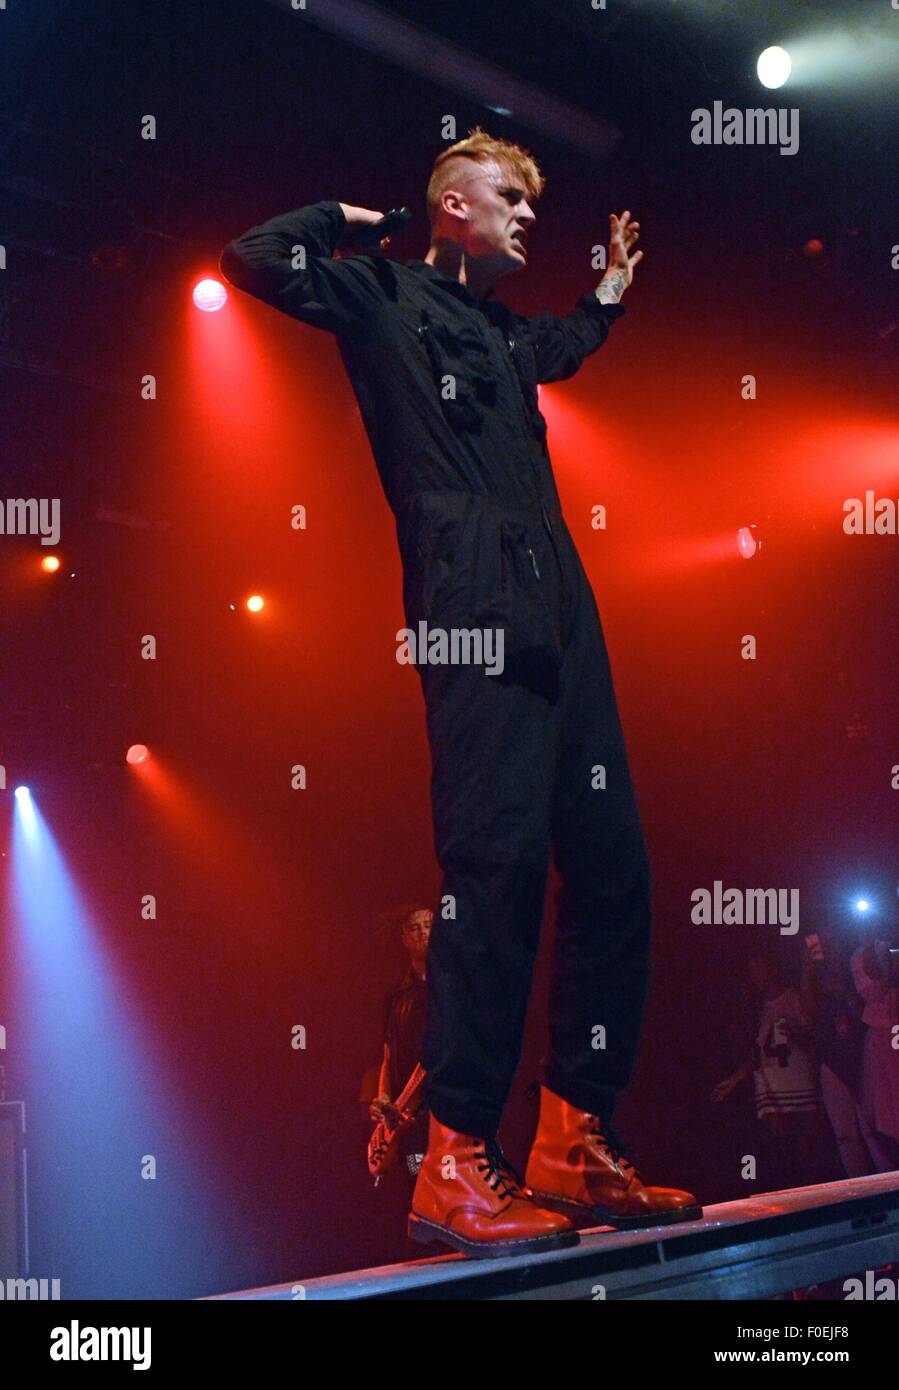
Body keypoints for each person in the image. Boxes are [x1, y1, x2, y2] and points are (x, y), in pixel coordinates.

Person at [221, 126, 700, 1258]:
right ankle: (452, 1160)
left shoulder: (498, 330)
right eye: (508, 197)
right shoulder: (377, 295)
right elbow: (251, 258)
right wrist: (360, 219)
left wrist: (611, 293)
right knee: (491, 876)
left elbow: (567, 348)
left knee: (615, 868)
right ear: (447, 207)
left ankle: (573, 1133)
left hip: (561, 616)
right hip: (473, 614)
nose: (528, 215)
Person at [711, 953, 820, 1187]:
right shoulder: (757, 1008)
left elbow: (814, 1035)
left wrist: (792, 1034)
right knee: (780, 1145)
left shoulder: (792, 998)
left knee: (809, 1143)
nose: (756, 976)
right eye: (752, 971)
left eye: (759, 968)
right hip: (771, 1082)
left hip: (798, 1077)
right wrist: (735, 1079)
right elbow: (757, 1052)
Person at [369, 906, 433, 1187]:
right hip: (409, 1121)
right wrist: (383, 1098)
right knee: (416, 1179)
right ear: (404, 938)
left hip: (446, 1109)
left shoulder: (453, 986)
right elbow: (388, 1053)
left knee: (448, 1181)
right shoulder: (396, 996)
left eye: (429, 925)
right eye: (415, 928)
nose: (423, 933)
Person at [851, 927, 899, 1170]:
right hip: (882, 1035)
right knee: (883, 1106)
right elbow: (872, 990)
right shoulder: (862, 955)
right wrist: (872, 951)